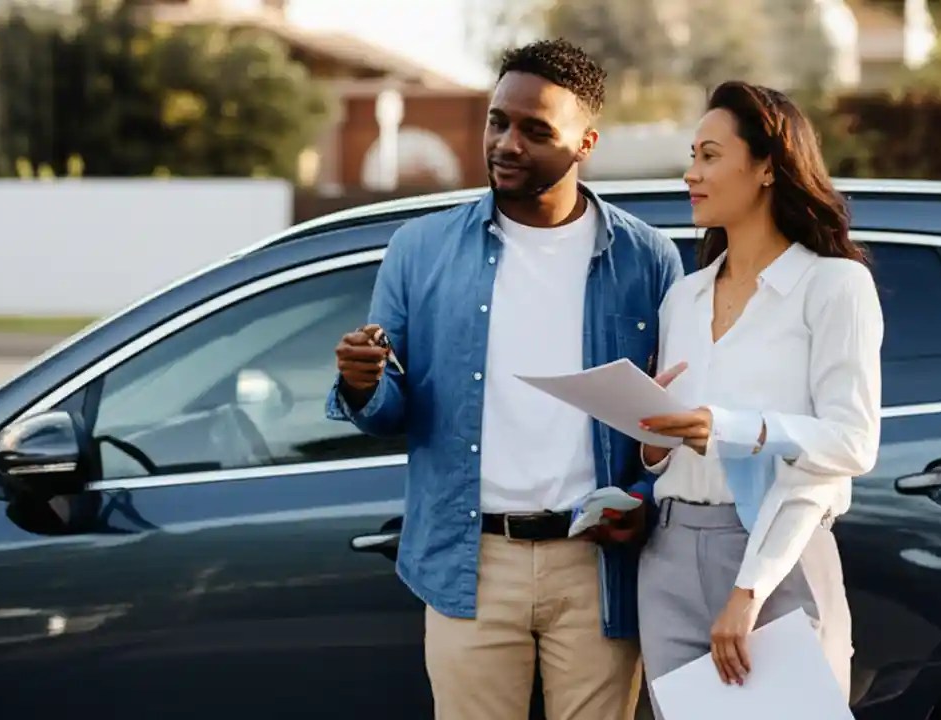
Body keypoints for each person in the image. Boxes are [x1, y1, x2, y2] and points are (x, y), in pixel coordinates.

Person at [326, 39, 684, 720]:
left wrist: (641, 496)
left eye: (535, 130)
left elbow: (671, 416)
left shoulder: (647, 260)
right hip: (469, 563)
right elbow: (393, 412)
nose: (507, 144)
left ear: (585, 143)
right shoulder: (420, 250)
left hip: (598, 567)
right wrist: (363, 384)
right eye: (498, 122)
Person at [635, 80, 883, 715]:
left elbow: (852, 442)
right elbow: (681, 443)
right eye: (692, 155)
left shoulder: (834, 286)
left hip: (776, 555)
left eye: (710, 156)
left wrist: (748, 589)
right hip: (667, 558)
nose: (691, 174)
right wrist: (653, 444)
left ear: (768, 166)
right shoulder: (682, 299)